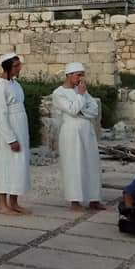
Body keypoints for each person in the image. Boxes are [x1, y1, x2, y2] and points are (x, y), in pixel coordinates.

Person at [52, 62, 105, 212]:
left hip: (86, 131)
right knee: (73, 165)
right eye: (78, 75)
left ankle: (94, 199)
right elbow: (72, 110)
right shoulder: (59, 93)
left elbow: (94, 109)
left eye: (82, 74)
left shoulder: (81, 90)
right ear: (69, 75)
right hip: (71, 132)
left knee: (92, 163)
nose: (81, 78)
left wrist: (81, 108)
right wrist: (80, 99)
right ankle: (75, 201)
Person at [0, 53, 32, 215]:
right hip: (7, 129)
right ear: (7, 67)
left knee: (18, 165)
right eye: (16, 66)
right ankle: (2, 204)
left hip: (20, 128)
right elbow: (0, 114)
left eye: (19, 65)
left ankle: (14, 202)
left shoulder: (15, 84)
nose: (19, 68)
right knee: (6, 165)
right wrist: (11, 138)